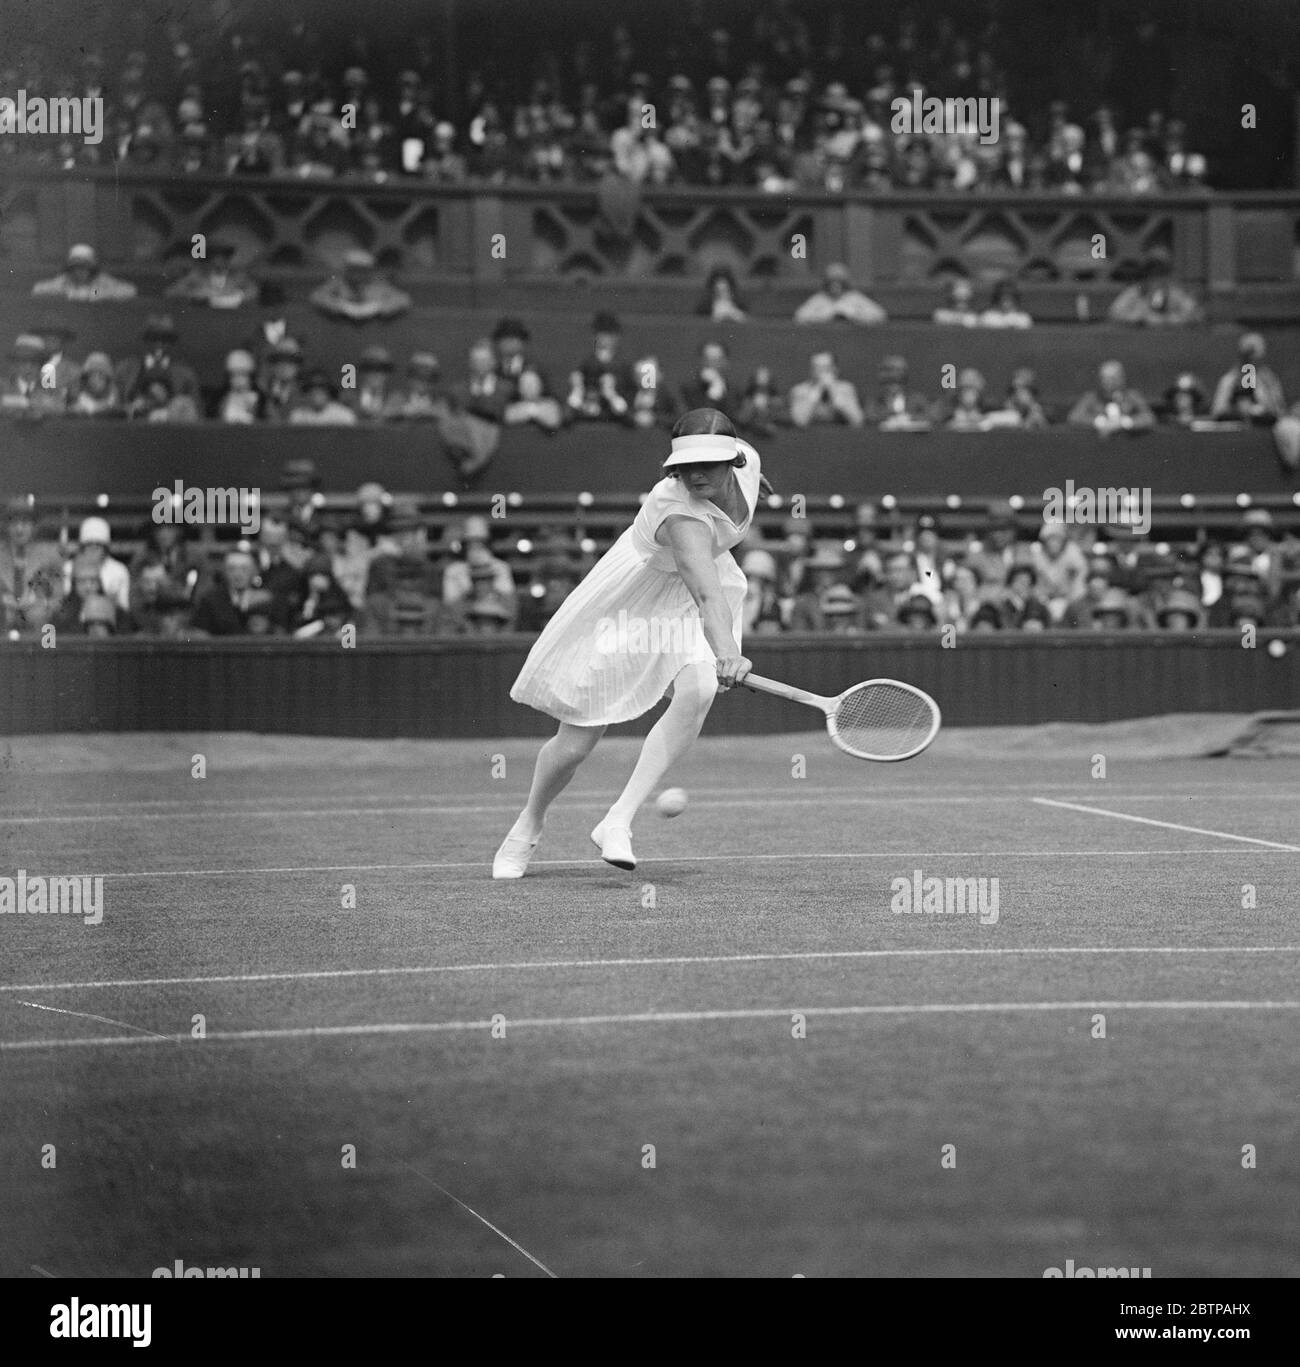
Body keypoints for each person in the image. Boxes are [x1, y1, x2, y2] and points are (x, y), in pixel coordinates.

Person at [494, 408, 769, 878]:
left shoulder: (748, 461)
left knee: (699, 688)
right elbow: (706, 594)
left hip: (689, 601)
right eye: (685, 465)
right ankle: (528, 822)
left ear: (735, 461)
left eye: (708, 463)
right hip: (631, 605)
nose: (695, 474)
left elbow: (708, 588)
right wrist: (727, 653)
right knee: (577, 742)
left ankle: (617, 820)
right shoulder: (680, 512)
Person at [31, 244, 137, 302]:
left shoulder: (101, 280)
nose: (80, 270)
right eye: (76, 266)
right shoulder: (64, 281)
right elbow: (37, 289)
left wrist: (99, 294)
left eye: (84, 266)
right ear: (71, 268)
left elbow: (130, 290)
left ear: (92, 267)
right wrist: (65, 293)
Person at [793, 262, 887, 325]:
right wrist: (825, 317)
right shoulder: (819, 299)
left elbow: (879, 315)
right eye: (832, 281)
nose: (835, 286)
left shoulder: (855, 297)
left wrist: (854, 316)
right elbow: (800, 317)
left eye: (839, 282)